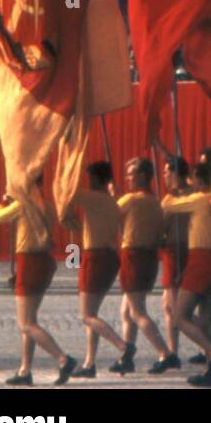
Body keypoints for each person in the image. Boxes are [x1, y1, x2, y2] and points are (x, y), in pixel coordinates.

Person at [0, 177, 76, 386]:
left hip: (29, 260)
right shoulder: (47, 206)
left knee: (26, 323)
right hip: (44, 262)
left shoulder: (21, 205)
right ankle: (25, 369)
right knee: (30, 319)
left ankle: (63, 358)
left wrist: (4, 201)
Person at [161, 161, 211, 386]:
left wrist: (173, 188)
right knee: (208, 316)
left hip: (201, 259)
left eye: (193, 178)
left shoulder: (201, 199)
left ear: (199, 180)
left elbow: (168, 205)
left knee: (180, 316)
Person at [111, 157, 174, 375]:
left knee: (137, 312)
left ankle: (165, 352)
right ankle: (126, 356)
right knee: (126, 311)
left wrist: (112, 196)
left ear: (144, 176)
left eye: (132, 173)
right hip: (149, 257)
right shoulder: (156, 201)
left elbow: (110, 215)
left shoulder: (131, 199)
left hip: (133, 255)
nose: (128, 178)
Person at [69, 160, 126, 378]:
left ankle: (122, 346)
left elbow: (68, 193)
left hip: (96, 257)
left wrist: (68, 167)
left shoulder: (94, 198)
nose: (88, 182)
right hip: (109, 257)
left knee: (86, 315)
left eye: (91, 178)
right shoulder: (111, 201)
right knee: (92, 313)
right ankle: (89, 362)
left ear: (99, 179)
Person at [159, 155, 190, 362]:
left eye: (167, 172)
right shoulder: (178, 195)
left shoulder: (179, 198)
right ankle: (172, 350)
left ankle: (173, 352)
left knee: (174, 306)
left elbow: (163, 225)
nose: (164, 176)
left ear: (176, 173)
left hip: (176, 249)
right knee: (168, 304)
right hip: (175, 249)